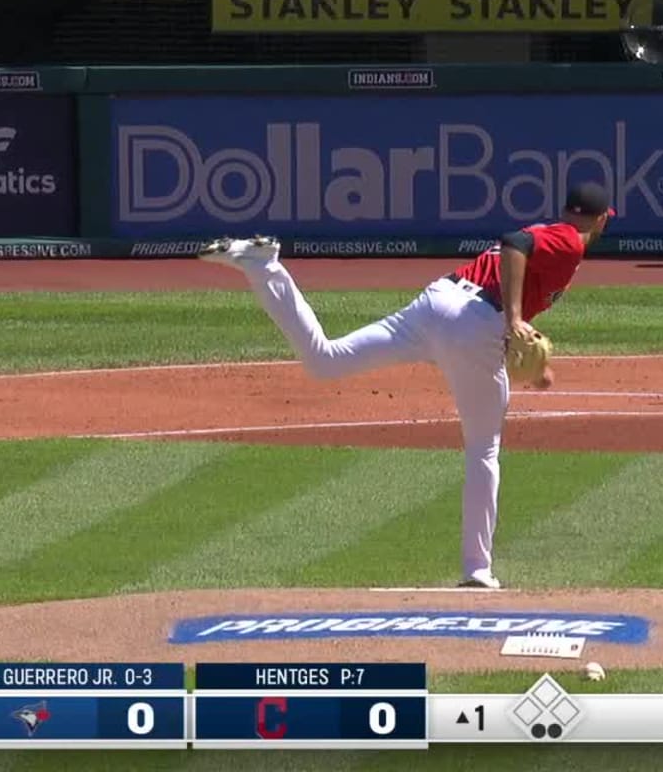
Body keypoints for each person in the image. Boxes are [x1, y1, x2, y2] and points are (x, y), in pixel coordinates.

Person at [196, 183, 615, 589]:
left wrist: (527, 348)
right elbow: (513, 243)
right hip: (473, 324)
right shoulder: (570, 241)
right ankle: (477, 569)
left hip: (437, 303)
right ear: (599, 220)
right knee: (483, 449)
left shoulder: (554, 232)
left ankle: (264, 265)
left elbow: (516, 265)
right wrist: (512, 319)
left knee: (325, 360)